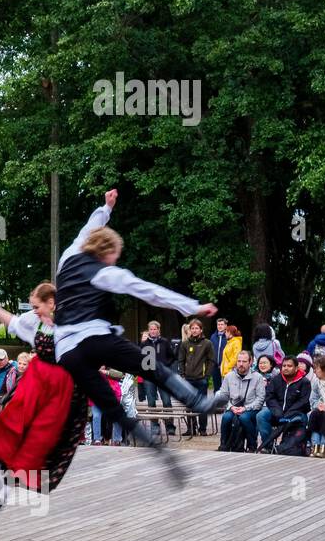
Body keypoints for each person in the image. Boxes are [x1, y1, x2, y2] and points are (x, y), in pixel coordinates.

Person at [51, 189, 219, 483]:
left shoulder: (68, 257)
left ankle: (157, 451)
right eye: (115, 256)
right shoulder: (104, 272)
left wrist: (106, 207)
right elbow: (149, 291)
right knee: (149, 365)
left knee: (110, 405)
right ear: (107, 252)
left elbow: (87, 229)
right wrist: (194, 307)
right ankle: (197, 402)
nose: (115, 262)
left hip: (66, 351)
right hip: (94, 337)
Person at [0, 283, 89, 509]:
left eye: (37, 306)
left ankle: (2, 485)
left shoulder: (71, 325)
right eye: (33, 307)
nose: (34, 310)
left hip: (58, 393)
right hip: (34, 385)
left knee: (34, 444)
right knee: (3, 423)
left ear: (52, 303)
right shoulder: (36, 321)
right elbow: (13, 321)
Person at [258, 355, 311, 453]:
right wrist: (278, 412)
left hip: (296, 414)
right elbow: (270, 397)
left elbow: (303, 401)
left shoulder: (304, 382)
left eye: (289, 366)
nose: (286, 368)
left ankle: (291, 447)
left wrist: (287, 414)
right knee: (261, 416)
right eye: (284, 365)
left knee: (302, 419)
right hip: (277, 412)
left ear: (296, 368)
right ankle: (268, 446)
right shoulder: (276, 380)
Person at [217, 351, 265, 452]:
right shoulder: (229, 376)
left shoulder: (258, 377)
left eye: (244, 361)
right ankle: (223, 444)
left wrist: (246, 408)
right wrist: (231, 407)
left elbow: (260, 399)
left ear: (250, 362)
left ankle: (252, 445)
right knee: (226, 417)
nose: (241, 364)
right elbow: (223, 396)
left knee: (244, 418)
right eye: (239, 361)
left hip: (250, 408)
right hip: (233, 407)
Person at [177, 319, 216, 436]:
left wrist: (207, 375)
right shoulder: (185, 343)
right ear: (190, 330)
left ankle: (202, 429)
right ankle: (191, 428)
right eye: (192, 328)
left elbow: (211, 360)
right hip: (188, 379)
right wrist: (182, 374)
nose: (194, 330)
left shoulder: (207, 343)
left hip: (201, 379)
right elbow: (181, 360)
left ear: (201, 330)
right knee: (189, 405)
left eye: (196, 328)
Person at [209, 317, 229, 392]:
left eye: (222, 324)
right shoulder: (213, 337)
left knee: (226, 386)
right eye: (218, 324)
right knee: (216, 386)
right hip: (215, 365)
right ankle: (216, 402)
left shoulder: (228, 337)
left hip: (225, 365)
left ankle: (226, 403)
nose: (220, 326)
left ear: (226, 326)